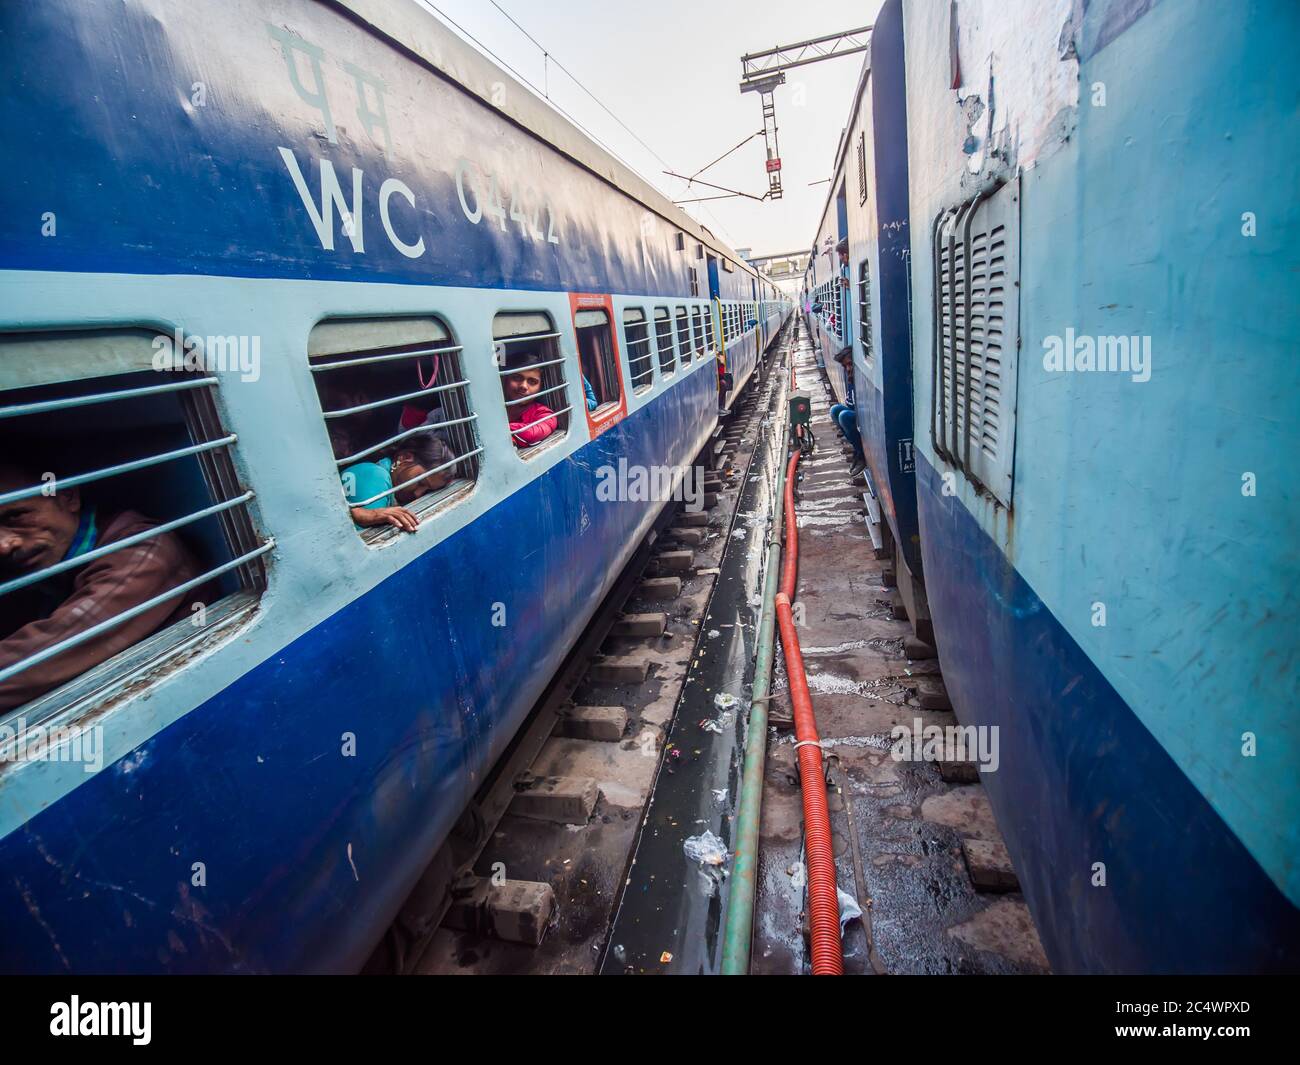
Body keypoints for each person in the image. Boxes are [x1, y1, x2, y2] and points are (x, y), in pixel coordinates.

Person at [0, 458, 211, 712]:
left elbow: (39, 662)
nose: (4, 546)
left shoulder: (143, 552)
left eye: (16, 516)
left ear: (67, 496)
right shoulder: (48, 568)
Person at [340, 431, 454, 532]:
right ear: (404, 458)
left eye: (427, 491)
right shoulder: (375, 476)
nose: (418, 494)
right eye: (421, 482)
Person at [501, 356, 558, 448]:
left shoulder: (543, 413)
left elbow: (533, 434)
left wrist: (500, 429)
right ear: (505, 380)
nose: (523, 386)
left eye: (532, 382)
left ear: (540, 388)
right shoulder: (492, 407)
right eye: (516, 378)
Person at [830, 350, 866, 477]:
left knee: (844, 416)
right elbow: (850, 404)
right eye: (845, 366)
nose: (848, 369)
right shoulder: (851, 378)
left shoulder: (861, 376)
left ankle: (862, 455)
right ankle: (858, 450)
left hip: (866, 415)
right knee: (835, 410)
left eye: (850, 364)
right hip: (859, 413)